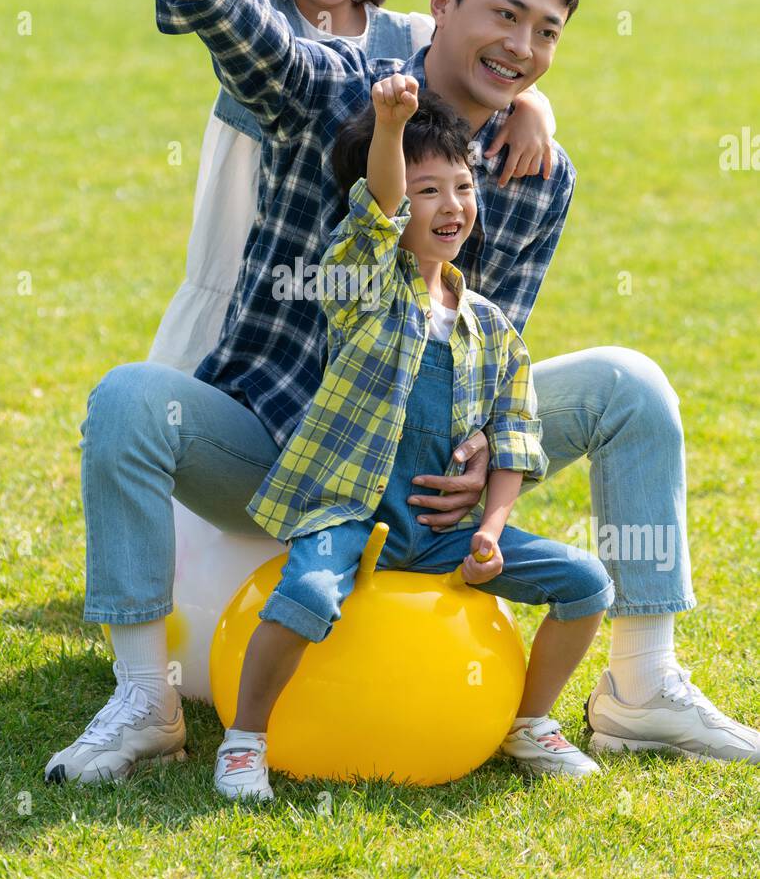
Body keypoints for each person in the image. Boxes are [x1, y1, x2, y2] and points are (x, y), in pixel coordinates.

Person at [43, 0, 759, 787]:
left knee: (631, 385)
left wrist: (477, 451)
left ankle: (642, 686)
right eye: (504, 15)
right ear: (440, 4)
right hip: (276, 448)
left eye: (546, 32)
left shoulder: (534, 169)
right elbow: (247, 34)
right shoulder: (338, 89)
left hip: (418, 483)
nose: (522, 47)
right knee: (130, 401)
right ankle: (144, 700)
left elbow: (495, 340)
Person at [215, 77, 615, 800]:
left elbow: (514, 438)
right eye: (425, 192)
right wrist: (390, 125)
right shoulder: (363, 287)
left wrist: (490, 532)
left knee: (585, 583)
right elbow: (374, 214)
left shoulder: (492, 330)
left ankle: (526, 723)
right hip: (348, 513)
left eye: (461, 187)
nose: (450, 205)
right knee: (305, 591)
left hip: (437, 530)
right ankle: (245, 738)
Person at [149, 0, 556, 375]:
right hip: (256, 201)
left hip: (345, 218)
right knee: (224, 308)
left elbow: (475, 67)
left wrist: (533, 107)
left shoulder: (400, 31)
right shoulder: (271, 10)